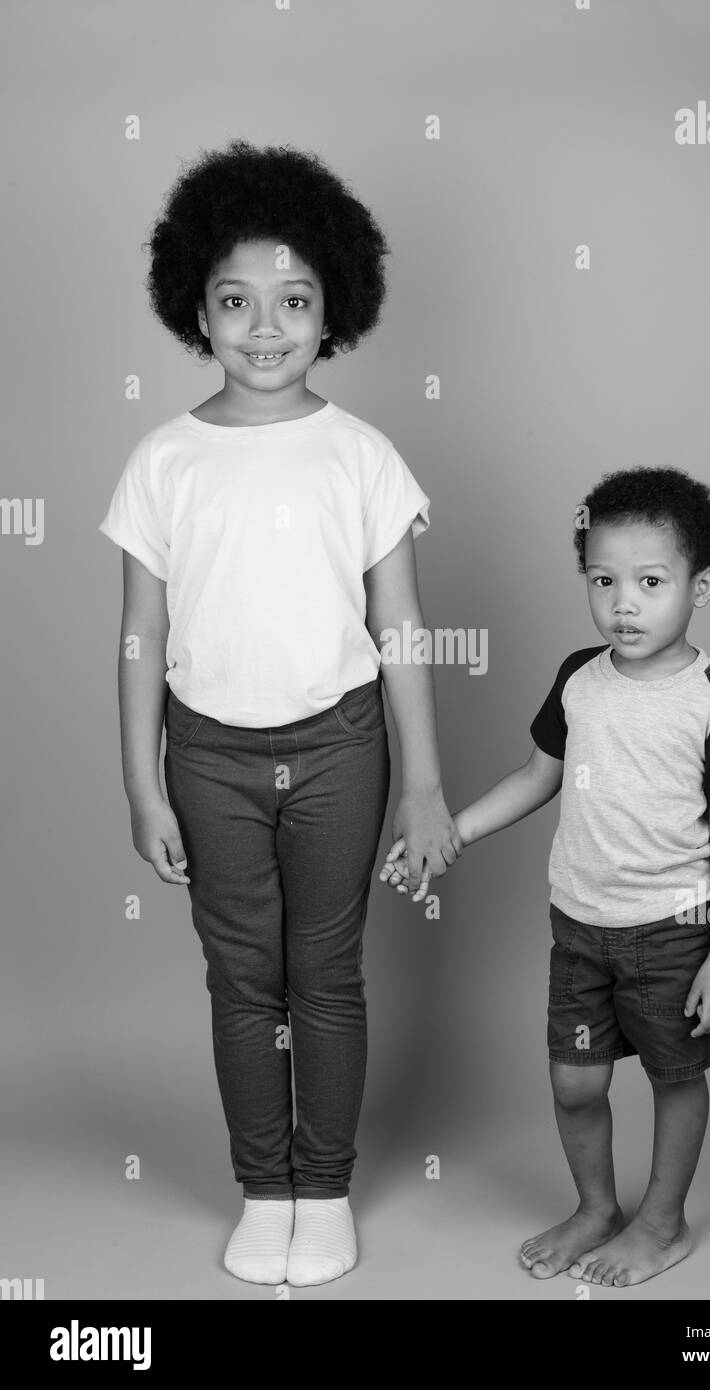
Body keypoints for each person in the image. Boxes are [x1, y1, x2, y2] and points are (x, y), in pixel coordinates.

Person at [98, 139, 460, 1288]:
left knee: (329, 973)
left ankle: (326, 1184)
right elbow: (140, 637)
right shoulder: (162, 460)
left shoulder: (361, 456)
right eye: (237, 301)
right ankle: (266, 1187)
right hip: (206, 756)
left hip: (342, 746)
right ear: (193, 310)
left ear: (333, 308)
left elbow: (402, 630)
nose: (267, 328)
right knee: (242, 978)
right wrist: (143, 780)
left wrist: (423, 782)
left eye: (294, 301)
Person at [381, 466, 710, 1287]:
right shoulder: (577, 678)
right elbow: (537, 775)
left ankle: (662, 1224)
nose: (623, 603)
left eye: (650, 582)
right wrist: (457, 829)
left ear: (700, 585)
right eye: (602, 581)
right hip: (579, 928)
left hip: (671, 930)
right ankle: (597, 1206)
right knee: (572, 1080)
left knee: (675, 1077)